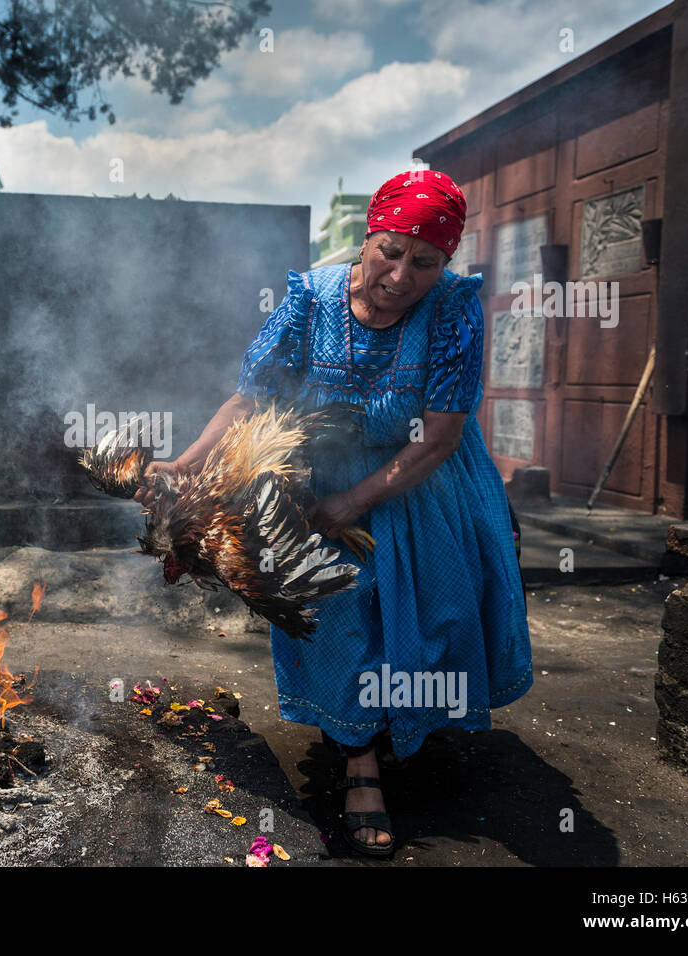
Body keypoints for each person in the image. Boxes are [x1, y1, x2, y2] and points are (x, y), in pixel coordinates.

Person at [140, 170, 532, 858]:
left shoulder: (453, 311)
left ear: (445, 264)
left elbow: (439, 435)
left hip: (419, 478)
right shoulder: (310, 301)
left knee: (432, 611)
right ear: (364, 241)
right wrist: (187, 464)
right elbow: (250, 400)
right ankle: (359, 763)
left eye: (425, 261)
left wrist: (351, 503)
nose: (401, 275)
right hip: (317, 472)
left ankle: (402, 723)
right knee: (339, 613)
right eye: (389, 251)